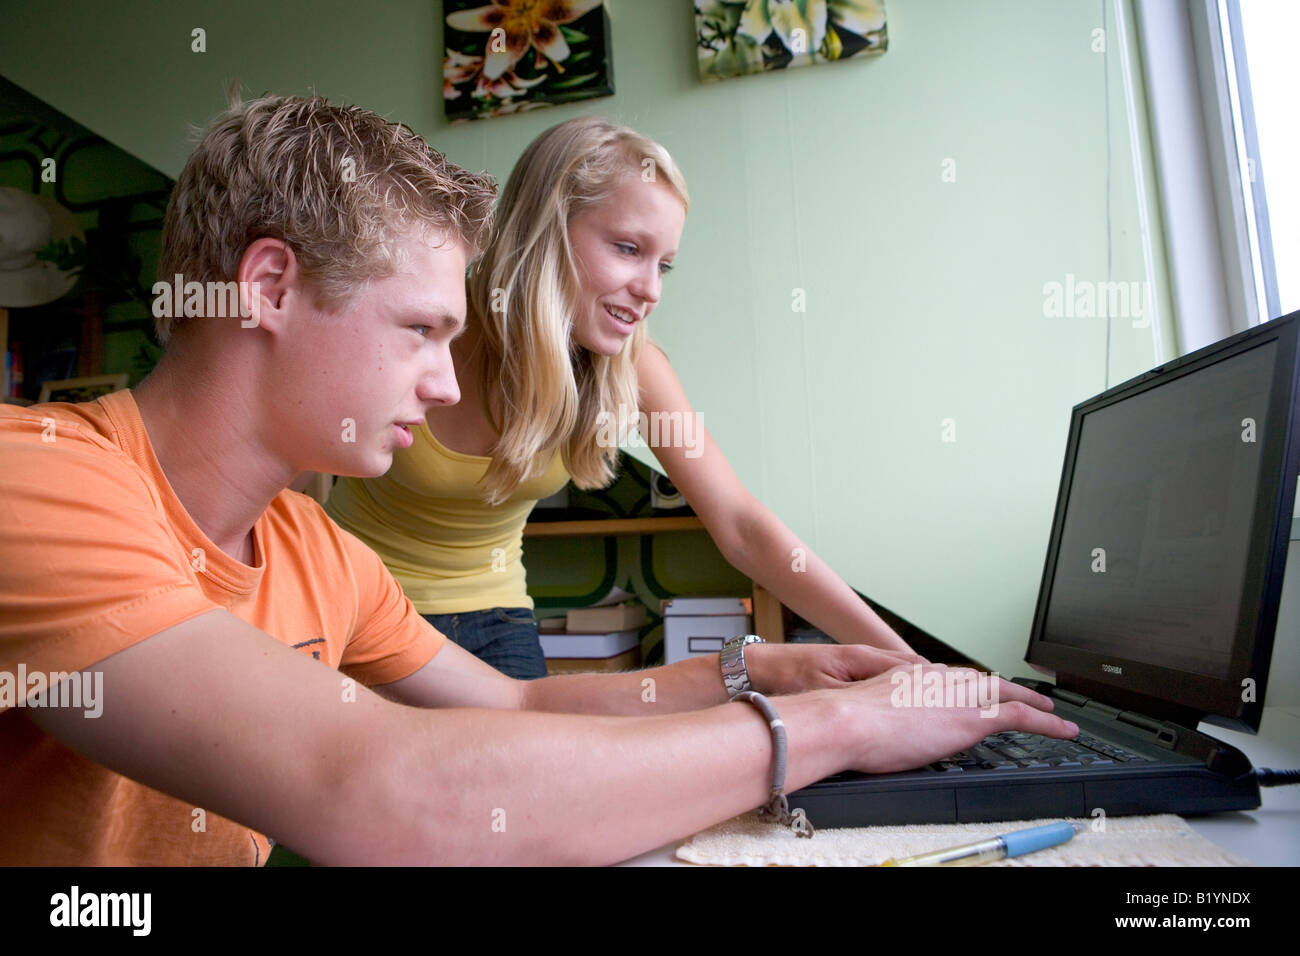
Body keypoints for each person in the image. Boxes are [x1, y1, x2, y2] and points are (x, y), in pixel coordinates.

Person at [0, 93, 1077, 866]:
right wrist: (835, 731)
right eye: (420, 330)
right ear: (271, 286)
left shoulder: (317, 555)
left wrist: (762, 670)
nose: (440, 383)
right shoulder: (33, 475)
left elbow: (519, 701)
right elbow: (380, 786)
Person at [325, 116, 913, 680]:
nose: (650, 289)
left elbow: (740, 526)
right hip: (359, 605)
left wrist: (909, 665)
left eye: (665, 266)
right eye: (629, 249)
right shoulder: (434, 326)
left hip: (496, 618)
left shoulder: (634, 366)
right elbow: (299, 472)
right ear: (548, 229)